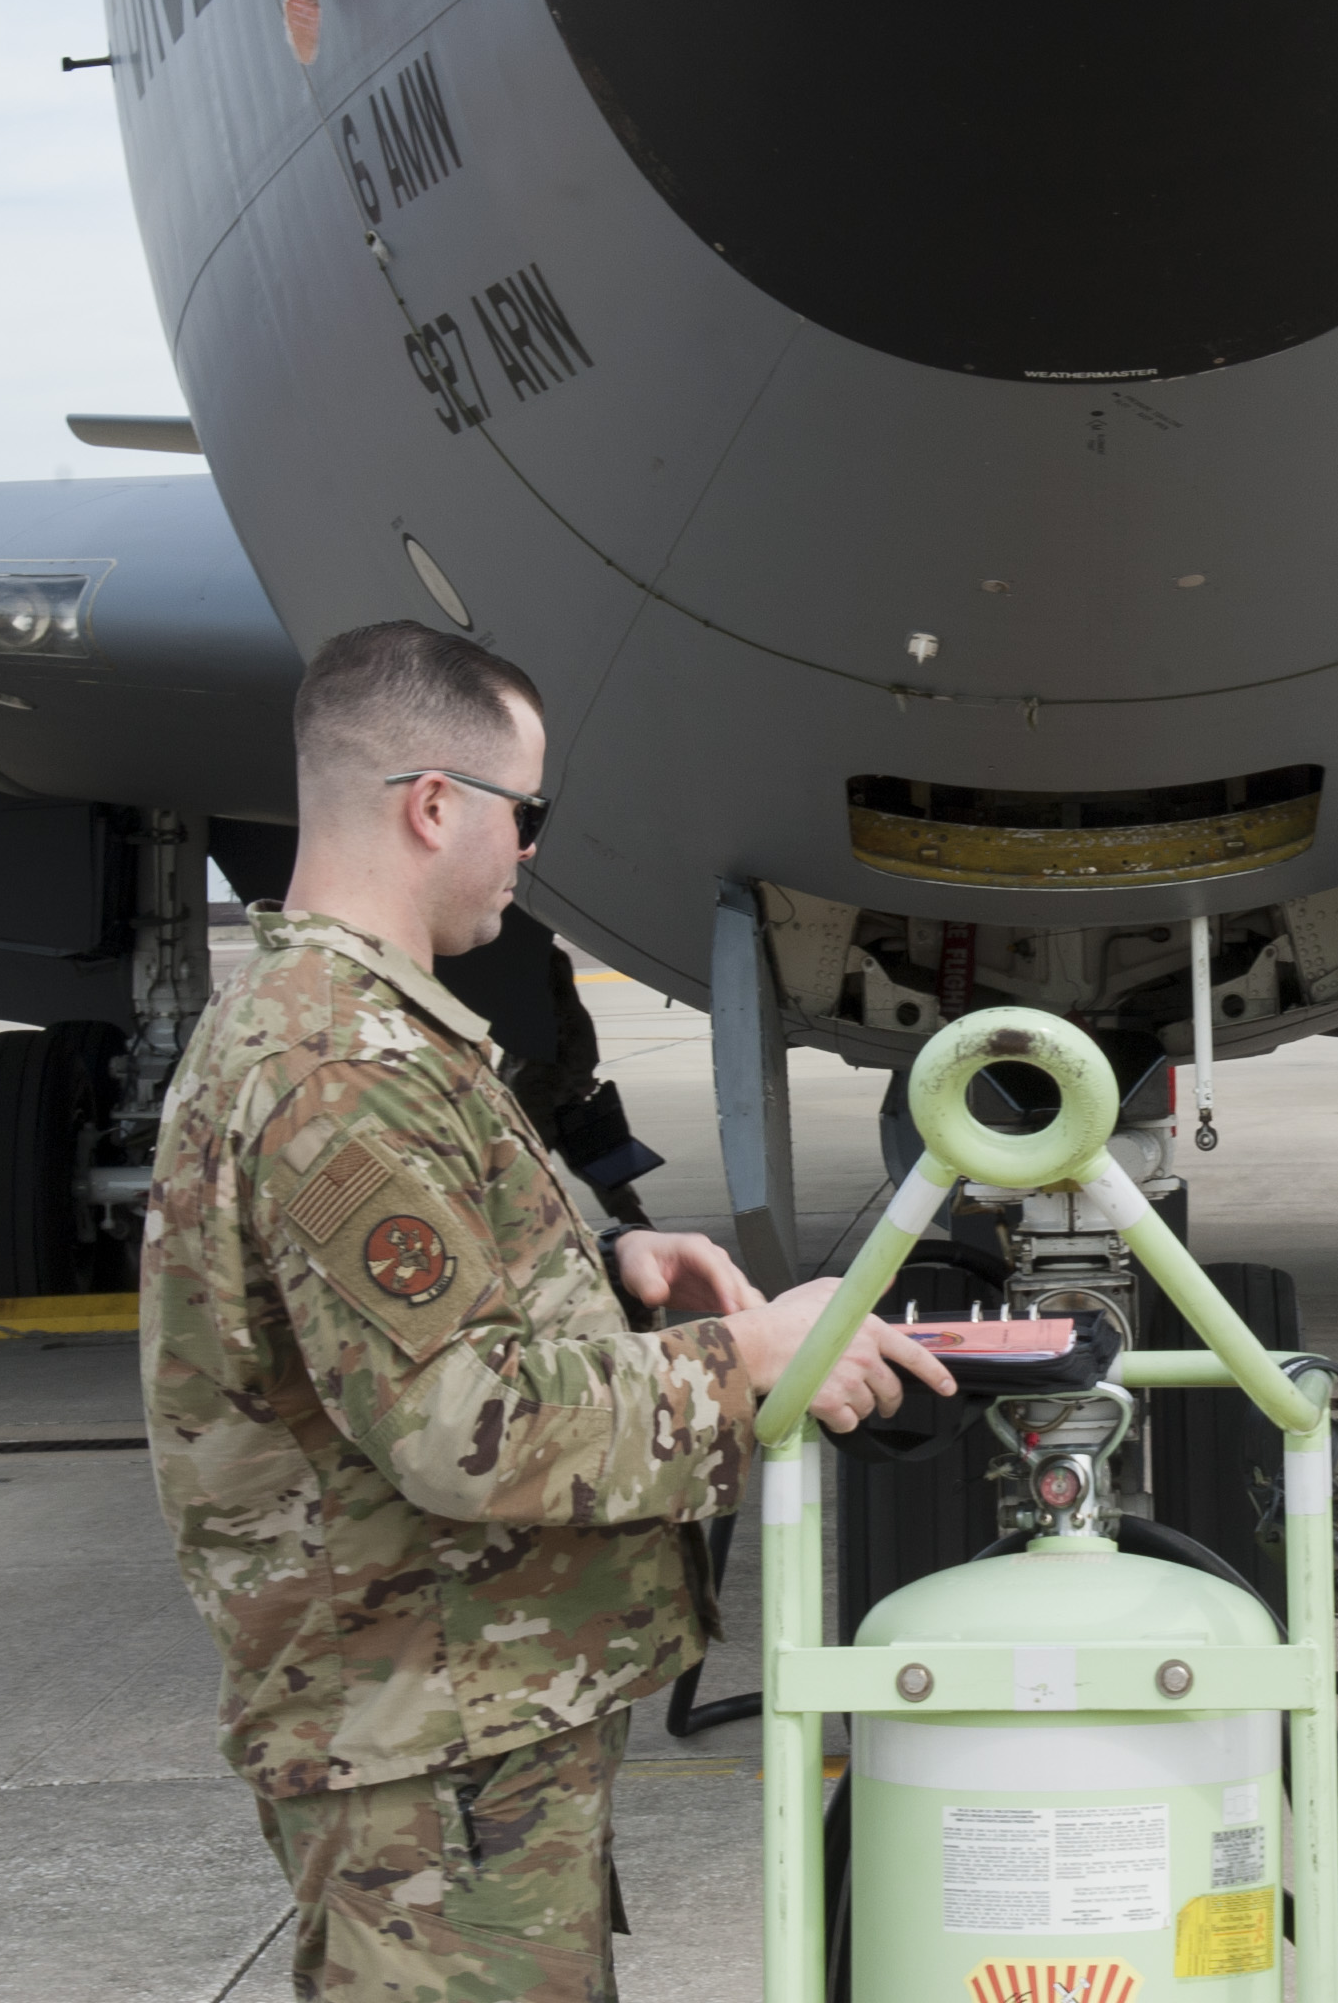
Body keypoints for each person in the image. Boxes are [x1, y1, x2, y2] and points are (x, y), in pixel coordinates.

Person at [145, 619, 950, 2001]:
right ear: (435, 804)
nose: (530, 850)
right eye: (528, 813)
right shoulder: (339, 1065)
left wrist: (614, 1270)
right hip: (428, 1745)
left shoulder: (344, 1028)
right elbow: (468, 1426)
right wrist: (745, 1360)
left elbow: (412, 1329)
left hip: (453, 1720)